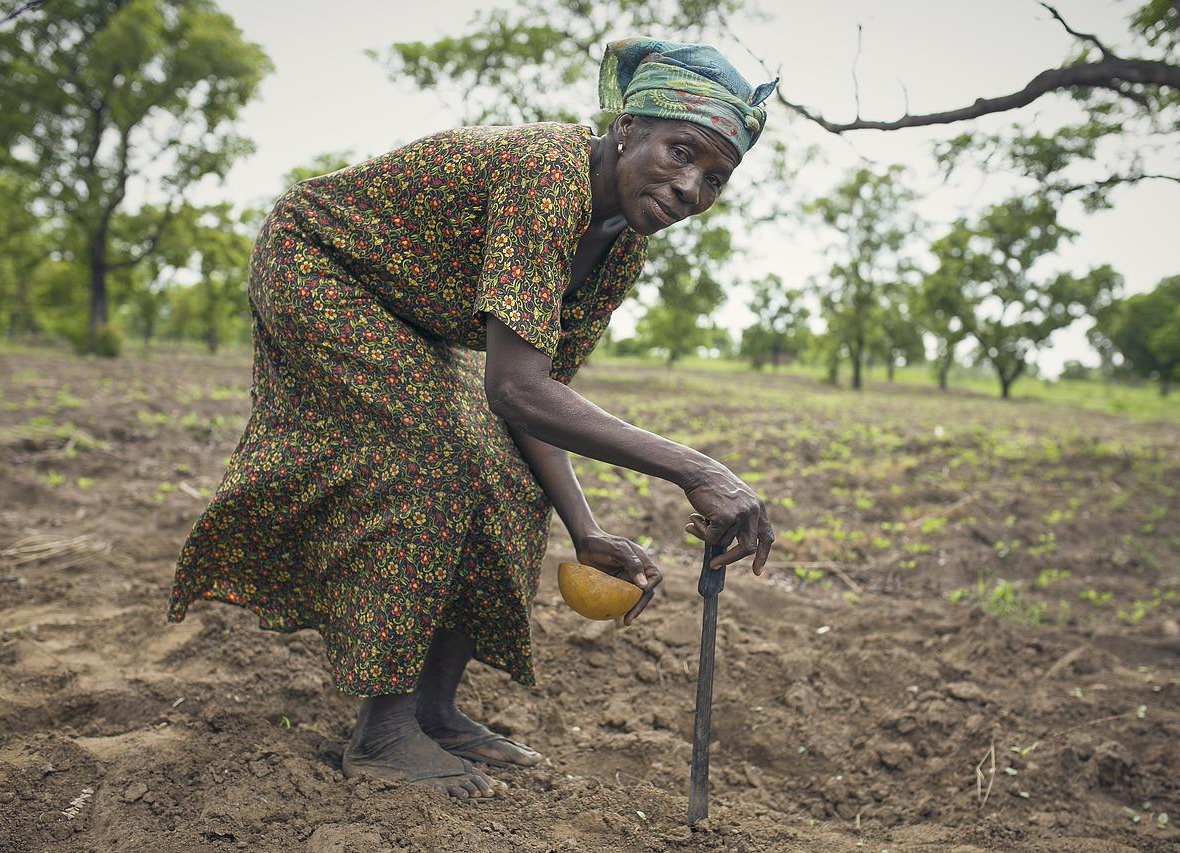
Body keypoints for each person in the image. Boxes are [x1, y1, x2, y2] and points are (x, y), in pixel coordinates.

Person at [167, 37, 778, 801]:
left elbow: (535, 394)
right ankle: (384, 732)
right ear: (628, 129)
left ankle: (433, 705)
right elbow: (518, 392)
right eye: (680, 152)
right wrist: (698, 468)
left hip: (414, 313)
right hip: (321, 263)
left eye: (715, 177)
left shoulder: (620, 246)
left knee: (510, 477)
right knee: (427, 460)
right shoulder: (547, 175)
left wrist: (582, 527)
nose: (690, 186)